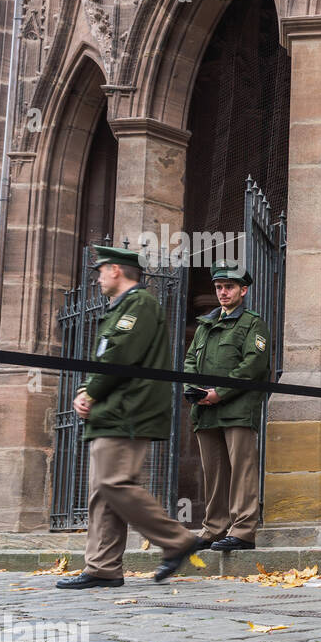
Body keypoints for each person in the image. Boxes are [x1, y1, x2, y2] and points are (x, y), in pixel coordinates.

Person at [58, 246, 201, 589]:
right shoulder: (121, 308)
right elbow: (106, 359)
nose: (99, 277)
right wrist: (87, 391)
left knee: (114, 482)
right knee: (102, 491)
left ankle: (177, 539)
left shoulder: (139, 305)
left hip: (128, 410)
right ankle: (103, 566)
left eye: (102, 270)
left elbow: (119, 356)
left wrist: (90, 393)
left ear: (117, 271)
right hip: (113, 410)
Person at [184, 261, 271, 552]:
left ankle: (243, 531)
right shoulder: (205, 325)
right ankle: (213, 528)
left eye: (229, 287)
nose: (223, 292)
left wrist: (219, 393)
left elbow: (252, 366)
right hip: (206, 410)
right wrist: (194, 392)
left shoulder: (252, 324)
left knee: (242, 470)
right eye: (219, 287)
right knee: (214, 472)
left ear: (243, 290)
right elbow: (189, 363)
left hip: (236, 409)